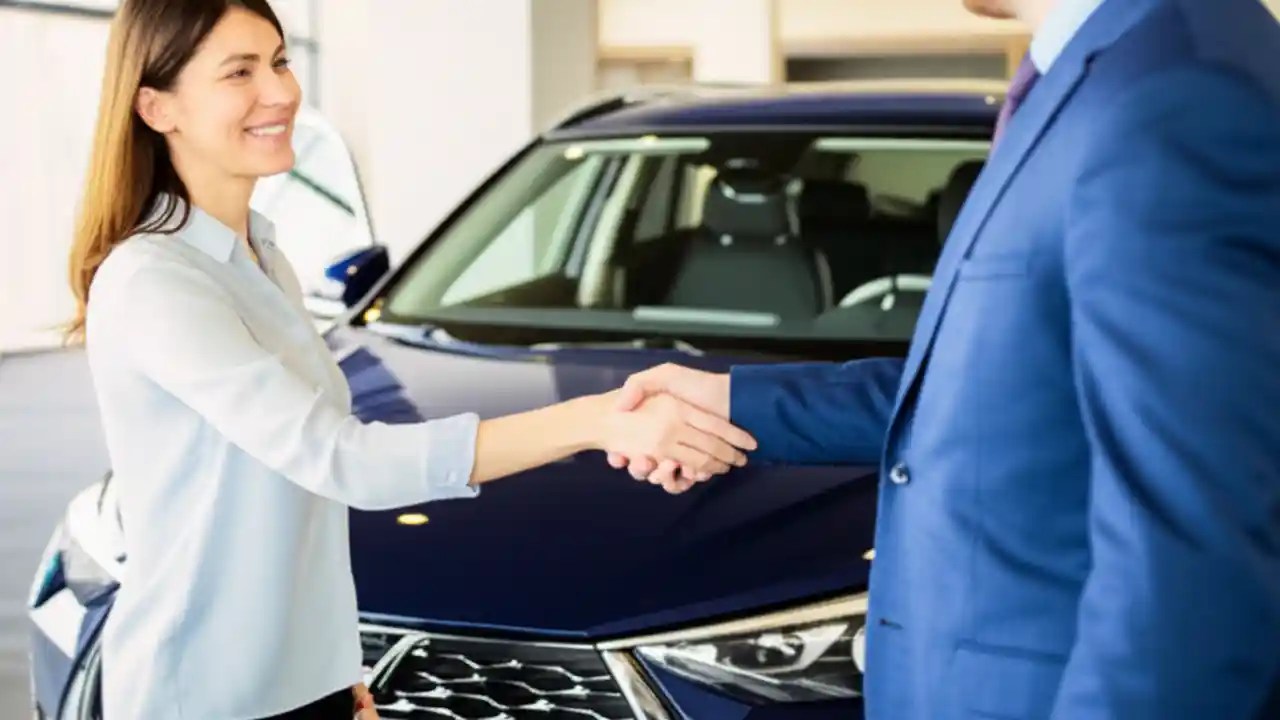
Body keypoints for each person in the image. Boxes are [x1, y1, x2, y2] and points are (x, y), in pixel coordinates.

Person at [64, 1, 756, 718]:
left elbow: (290, 502)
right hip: (204, 697)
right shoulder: (156, 280)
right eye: (238, 72)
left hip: (295, 687)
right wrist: (593, 420)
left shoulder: (261, 256)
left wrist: (328, 673)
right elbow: (343, 460)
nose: (280, 92)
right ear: (155, 106)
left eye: (278, 60)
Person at [609, 0, 1280, 717]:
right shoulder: (1110, 66)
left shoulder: (1173, 88)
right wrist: (733, 401)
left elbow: (1195, 563)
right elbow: (1006, 387)